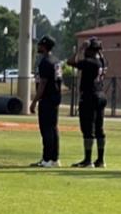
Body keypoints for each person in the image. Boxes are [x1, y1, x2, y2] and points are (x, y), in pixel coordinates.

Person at [68, 37, 107, 168]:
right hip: (101, 94)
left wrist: (80, 48)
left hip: (90, 96)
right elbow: (101, 55)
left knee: (88, 128)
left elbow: (71, 61)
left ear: (90, 50)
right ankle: (100, 160)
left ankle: (88, 160)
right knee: (99, 128)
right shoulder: (102, 61)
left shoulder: (89, 62)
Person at [29, 35, 62, 167]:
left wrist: (34, 101)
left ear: (44, 46)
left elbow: (43, 83)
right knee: (53, 128)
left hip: (47, 98)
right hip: (56, 96)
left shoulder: (45, 62)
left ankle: (47, 159)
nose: (38, 47)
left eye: (40, 45)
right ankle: (55, 158)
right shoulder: (56, 61)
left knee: (46, 129)